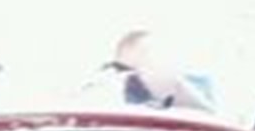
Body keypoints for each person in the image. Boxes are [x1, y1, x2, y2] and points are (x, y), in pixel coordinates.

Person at [82, 30, 215, 112]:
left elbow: (207, 114)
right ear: (128, 51)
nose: (153, 59)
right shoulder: (103, 85)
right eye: (145, 52)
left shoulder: (172, 85)